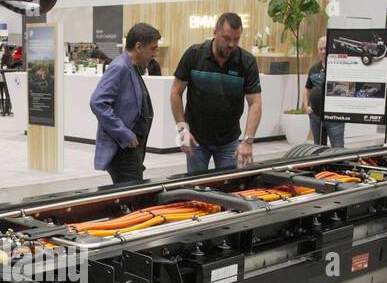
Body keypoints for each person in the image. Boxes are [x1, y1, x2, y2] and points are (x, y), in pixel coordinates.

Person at [170, 12, 262, 172]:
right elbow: (176, 92)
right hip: (196, 140)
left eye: (236, 39)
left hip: (229, 140)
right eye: (227, 38)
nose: (232, 44)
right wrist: (182, 130)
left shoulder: (246, 61)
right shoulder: (194, 55)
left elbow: (255, 103)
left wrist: (247, 141)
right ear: (214, 33)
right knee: (195, 188)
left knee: (229, 187)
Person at [90, 22, 161, 184]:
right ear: (138, 47)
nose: (155, 53)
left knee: (131, 196)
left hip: (131, 150)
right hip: (122, 151)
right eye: (153, 48)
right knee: (132, 200)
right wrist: (124, 133)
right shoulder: (120, 67)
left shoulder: (132, 68)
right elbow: (97, 102)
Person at [304, 34, 345, 148]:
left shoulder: (340, 67)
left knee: (338, 150)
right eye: (320, 49)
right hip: (316, 117)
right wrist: (306, 106)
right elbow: (307, 89)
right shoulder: (314, 69)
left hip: (335, 118)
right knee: (318, 150)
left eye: (325, 48)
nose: (322, 51)